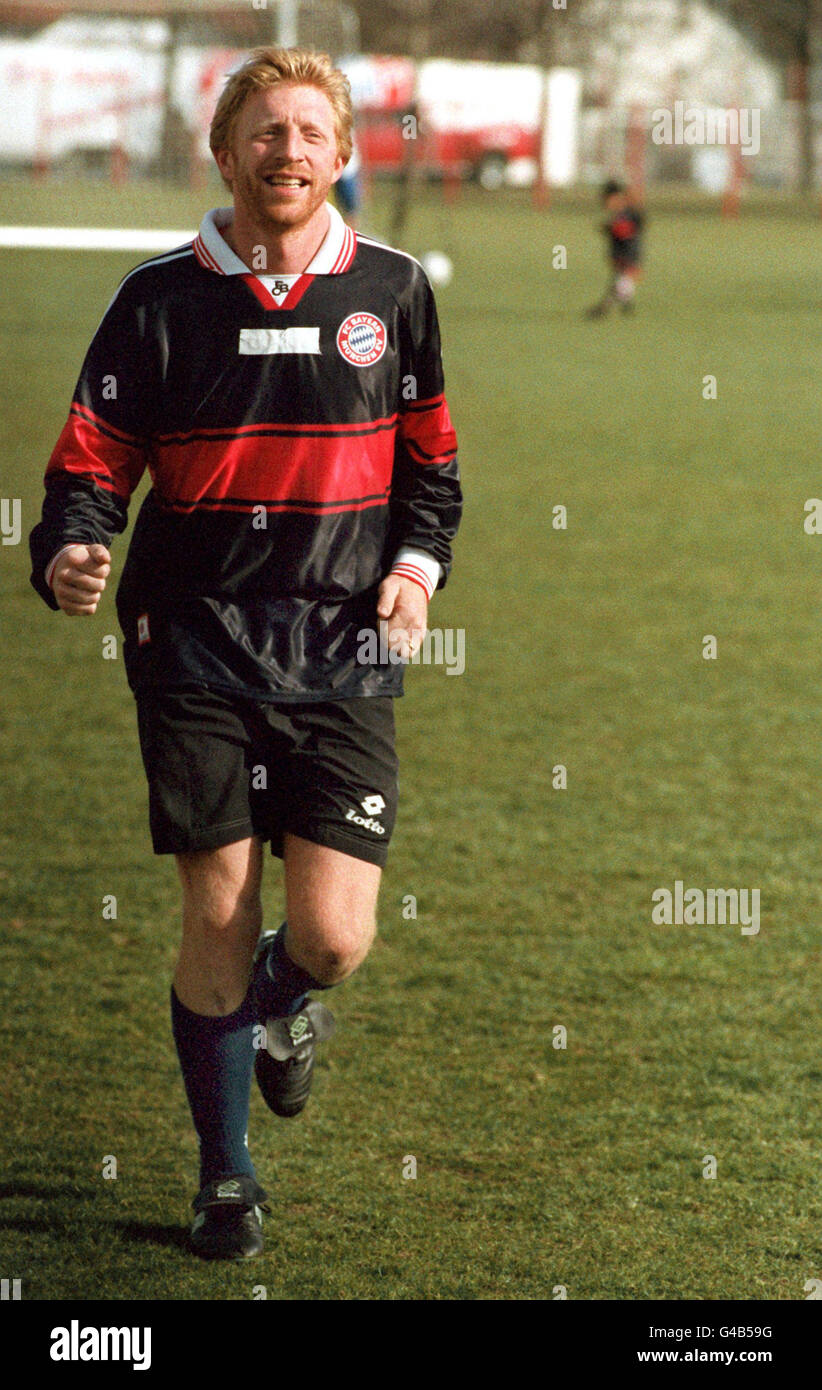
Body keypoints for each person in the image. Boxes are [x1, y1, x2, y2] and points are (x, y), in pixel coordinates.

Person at [28, 46, 462, 1261]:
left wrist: (416, 571)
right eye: (264, 133)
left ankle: (283, 1007)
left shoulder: (393, 291)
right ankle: (227, 1177)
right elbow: (87, 464)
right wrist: (70, 547)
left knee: (333, 940)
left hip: (340, 650)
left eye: (310, 133)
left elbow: (433, 466)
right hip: (196, 647)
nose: (289, 152)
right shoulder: (159, 300)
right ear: (226, 154)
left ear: (343, 155)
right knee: (216, 909)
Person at [586, 179, 645, 318]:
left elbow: (626, 231)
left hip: (628, 255)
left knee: (621, 283)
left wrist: (611, 228)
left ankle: (603, 308)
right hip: (622, 254)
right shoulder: (622, 213)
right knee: (621, 283)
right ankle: (625, 307)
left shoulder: (627, 213)